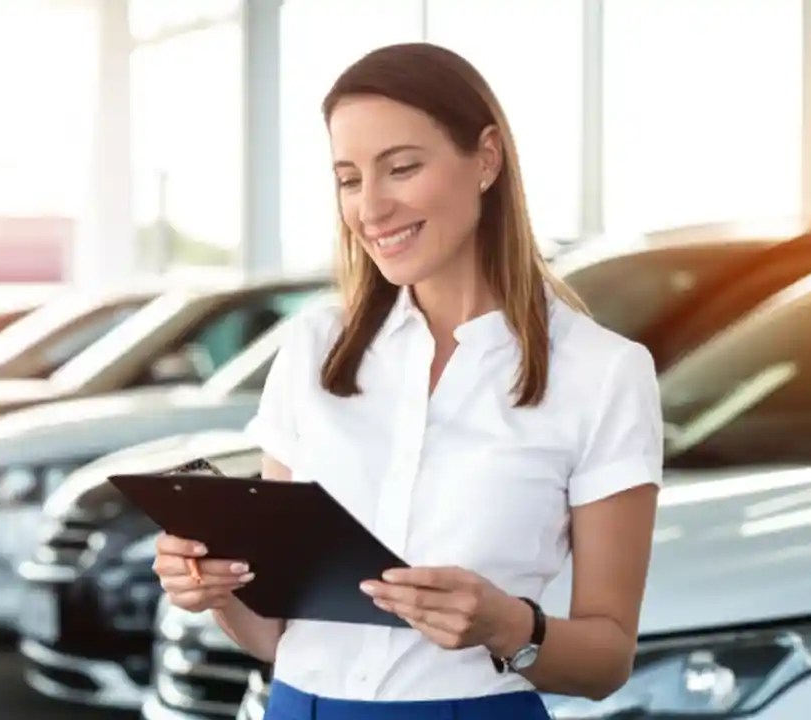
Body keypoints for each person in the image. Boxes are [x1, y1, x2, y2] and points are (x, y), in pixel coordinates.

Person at [152, 42, 662, 718]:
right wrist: (216, 590)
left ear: (486, 158)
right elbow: (278, 636)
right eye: (349, 178)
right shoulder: (313, 348)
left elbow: (607, 661)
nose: (371, 208)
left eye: (401, 168)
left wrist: (508, 626)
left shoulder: (603, 374)